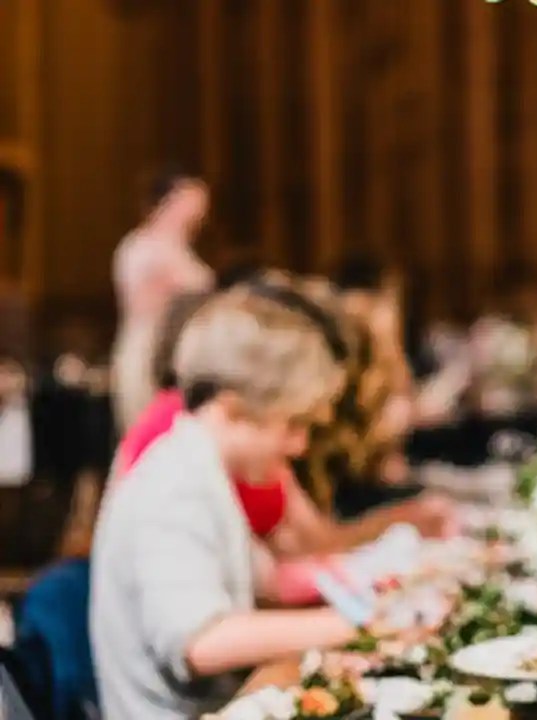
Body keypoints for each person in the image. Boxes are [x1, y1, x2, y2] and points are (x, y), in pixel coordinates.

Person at [91, 287, 364, 719]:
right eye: (293, 424)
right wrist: (356, 627)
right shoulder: (175, 487)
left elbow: (266, 587)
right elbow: (201, 641)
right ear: (234, 408)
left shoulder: (204, 470)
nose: (299, 445)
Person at [110, 170, 214, 430]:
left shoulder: (182, 249)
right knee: (149, 429)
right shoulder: (142, 247)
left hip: (183, 353)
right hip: (151, 350)